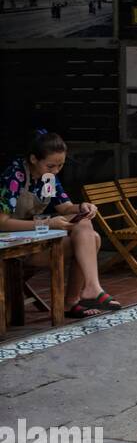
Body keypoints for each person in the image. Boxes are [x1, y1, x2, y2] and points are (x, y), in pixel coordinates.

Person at [0, 130, 113, 319]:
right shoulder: (15, 175)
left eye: (60, 166)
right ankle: (74, 300)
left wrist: (81, 207)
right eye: (51, 166)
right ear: (34, 159)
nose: (55, 171)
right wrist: (46, 224)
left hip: (35, 238)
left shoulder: (48, 178)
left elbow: (64, 207)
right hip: (12, 246)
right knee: (91, 240)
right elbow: (2, 223)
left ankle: (90, 289)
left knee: (87, 230)